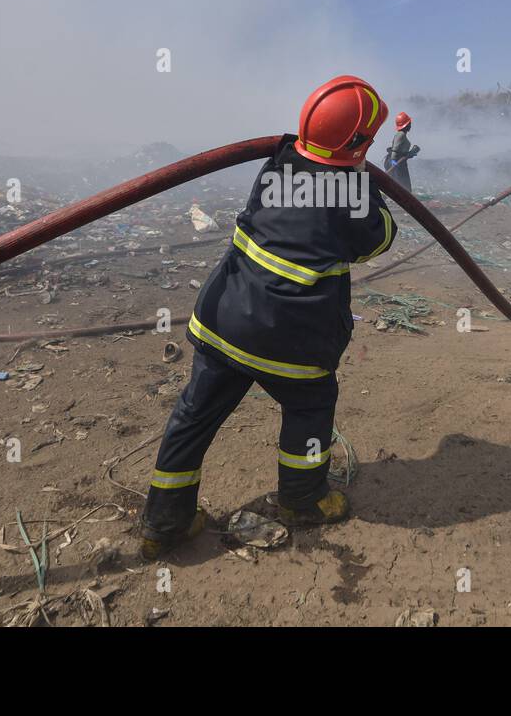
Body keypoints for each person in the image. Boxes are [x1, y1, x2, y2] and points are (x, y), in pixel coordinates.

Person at [139, 75, 397, 560]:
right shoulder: (355, 193)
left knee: (193, 416)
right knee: (310, 406)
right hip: (291, 338)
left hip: (224, 321)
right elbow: (378, 240)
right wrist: (363, 182)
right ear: (358, 143)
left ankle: (164, 523)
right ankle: (302, 500)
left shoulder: (277, 163)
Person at [384, 111, 420, 193]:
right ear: (406, 125)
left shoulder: (401, 134)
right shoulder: (401, 135)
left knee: (400, 185)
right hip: (396, 162)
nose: (410, 125)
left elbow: (400, 151)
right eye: (409, 123)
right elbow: (396, 148)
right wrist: (393, 160)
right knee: (403, 186)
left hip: (398, 161)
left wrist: (410, 154)